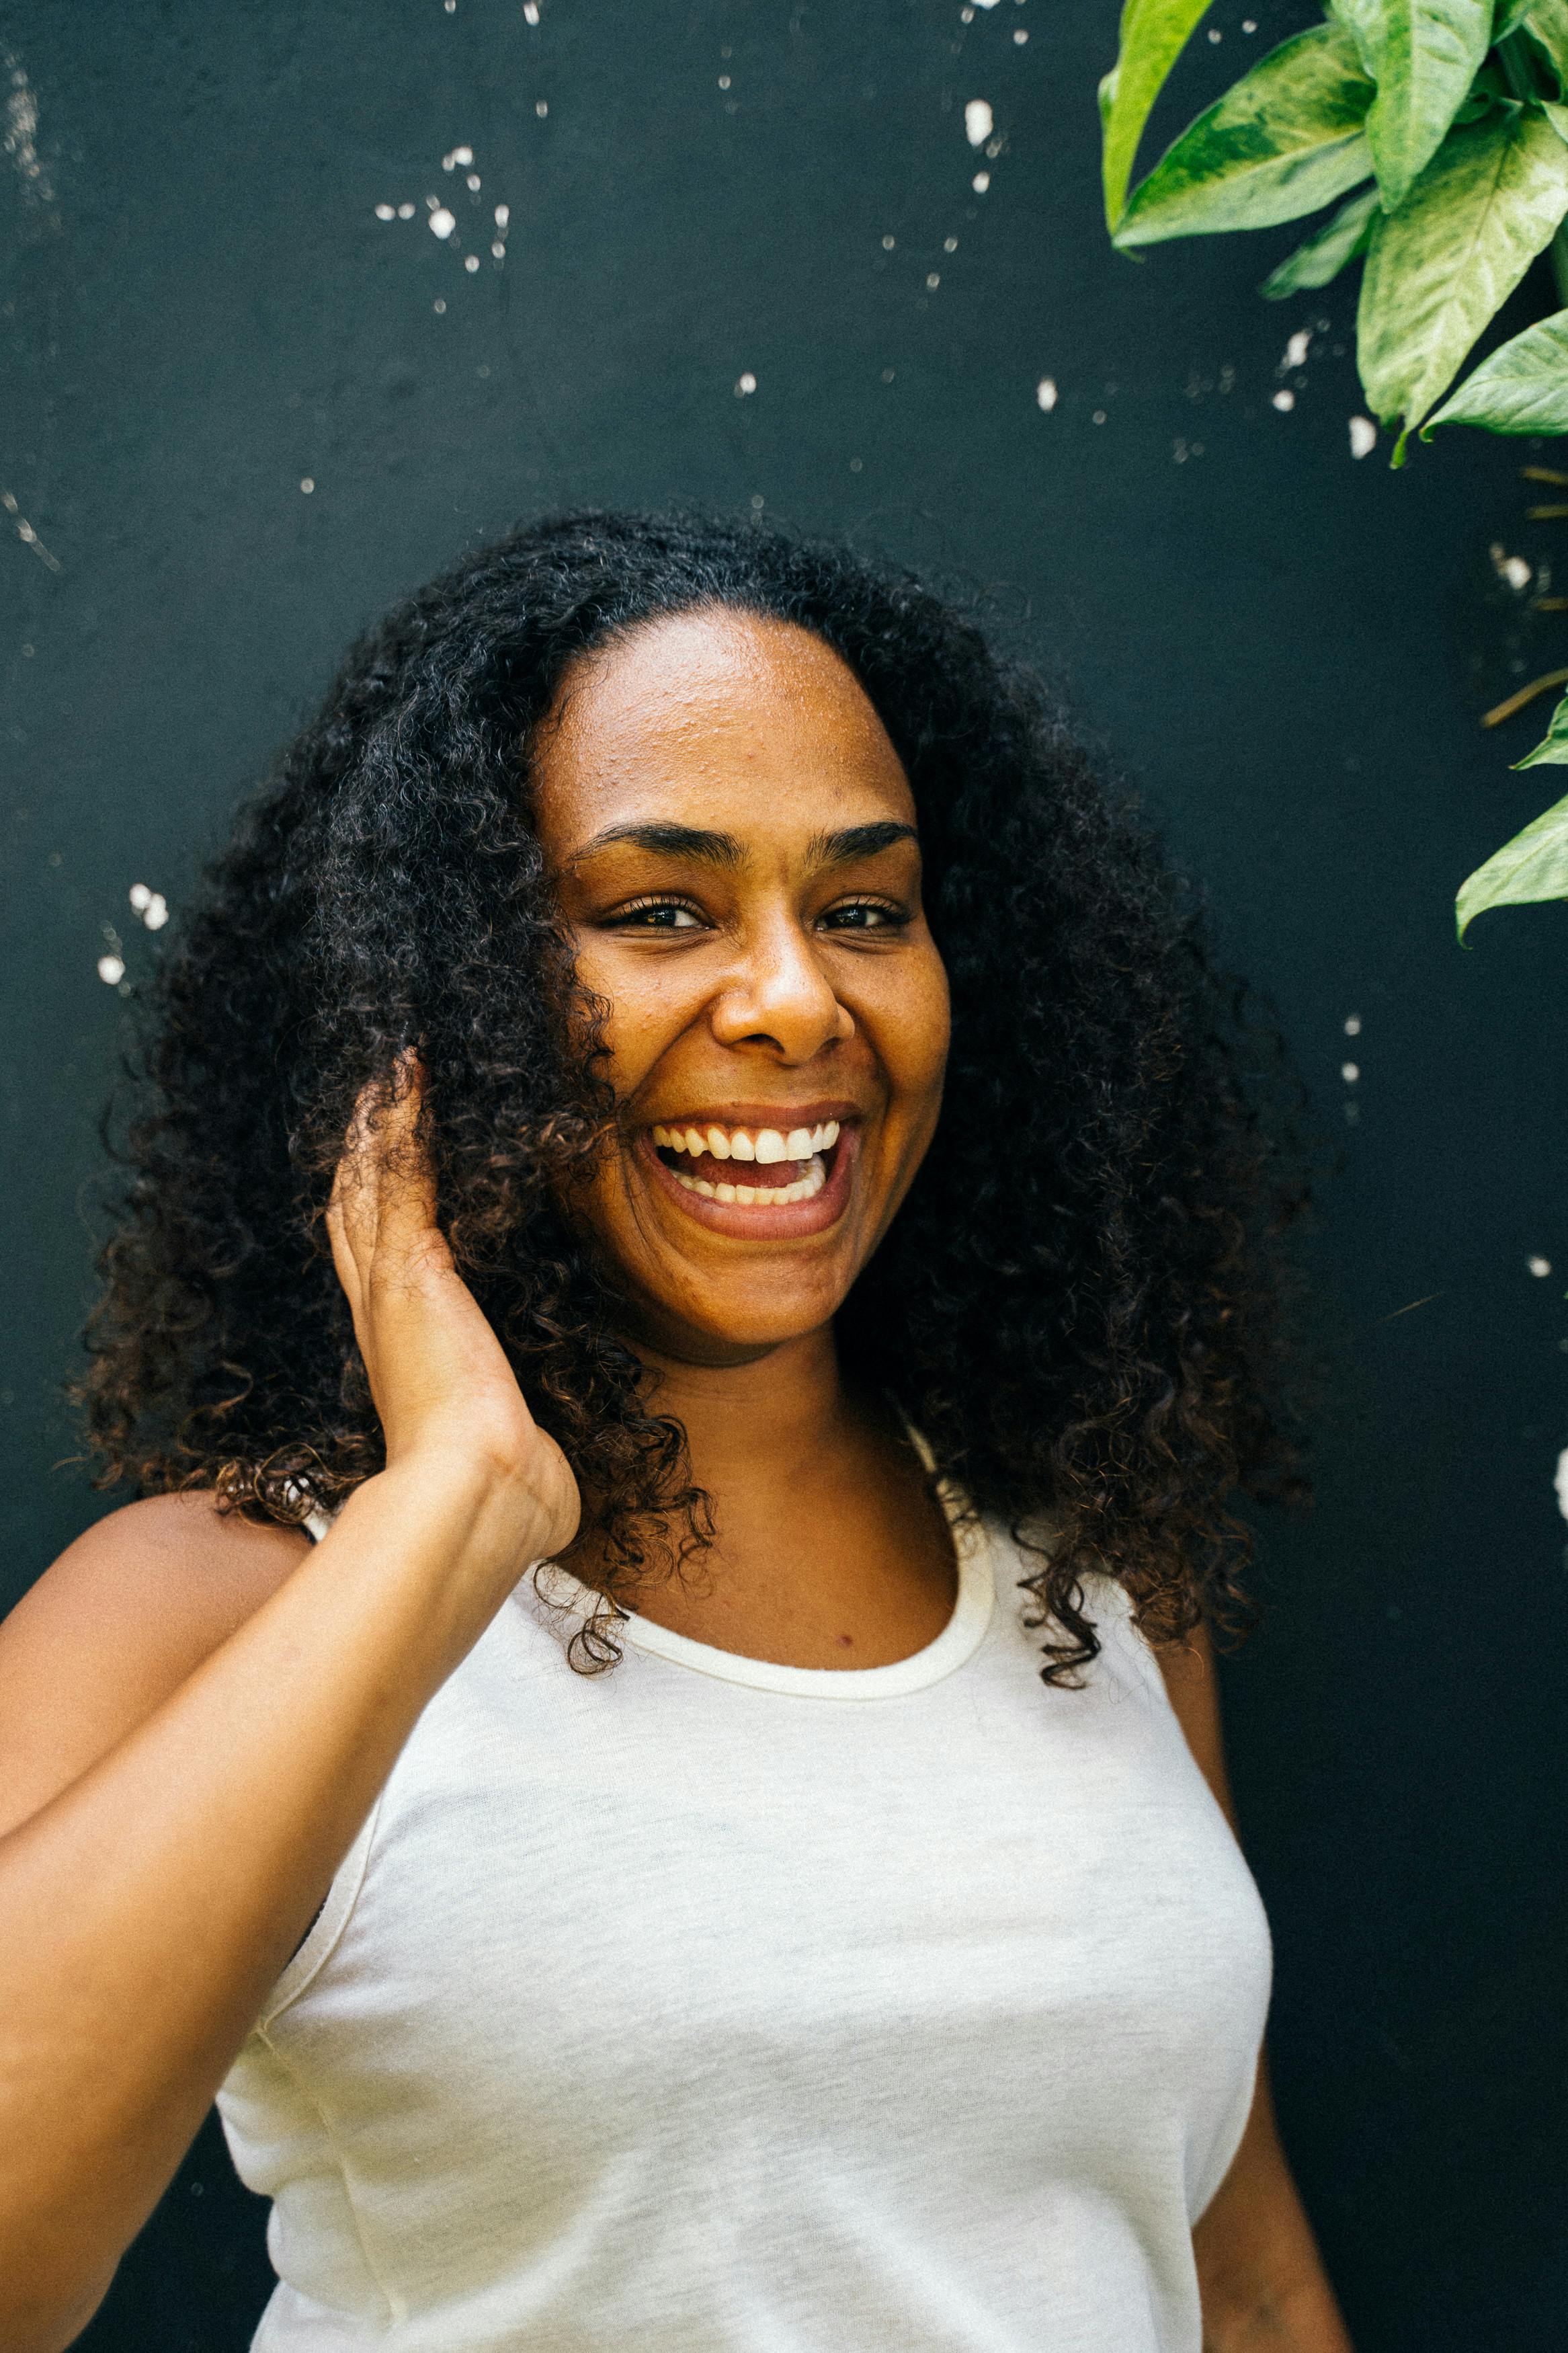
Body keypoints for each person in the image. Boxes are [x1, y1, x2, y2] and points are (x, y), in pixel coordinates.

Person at [0, 512, 1350, 2352]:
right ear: (438, 1001)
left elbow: (1242, 2284)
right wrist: (450, 1513)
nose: (797, 998)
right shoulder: (219, 1598)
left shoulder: (1084, 1574)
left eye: (865, 908)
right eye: (659, 910)